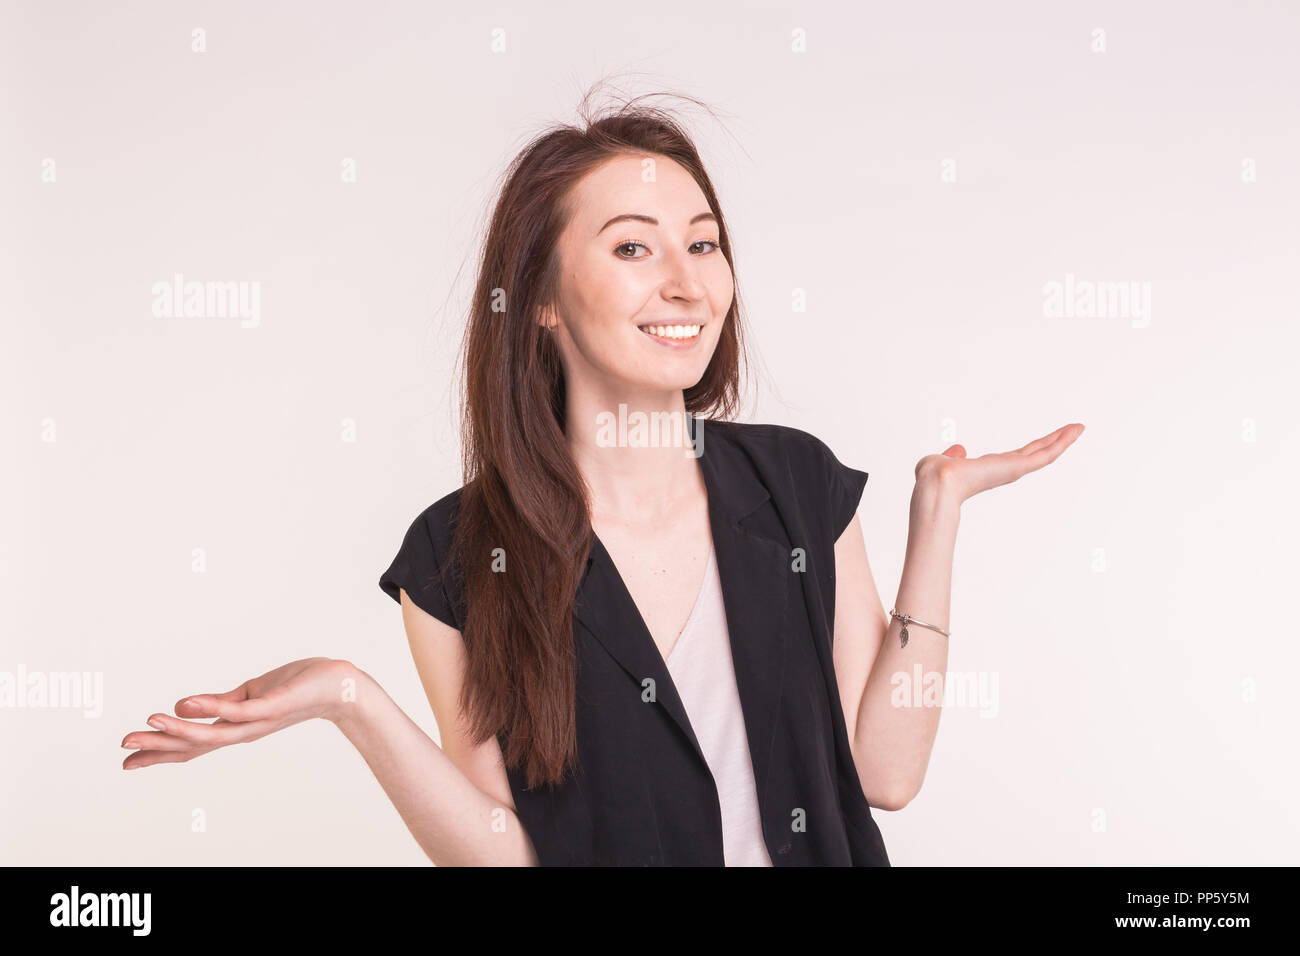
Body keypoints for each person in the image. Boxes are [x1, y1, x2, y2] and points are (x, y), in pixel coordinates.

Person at [120, 93, 1084, 866]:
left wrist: (937, 518)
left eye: (703, 243)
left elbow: (887, 770)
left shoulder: (797, 485)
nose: (687, 281)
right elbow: (503, 854)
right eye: (633, 247)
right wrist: (350, 698)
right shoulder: (456, 558)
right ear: (537, 298)